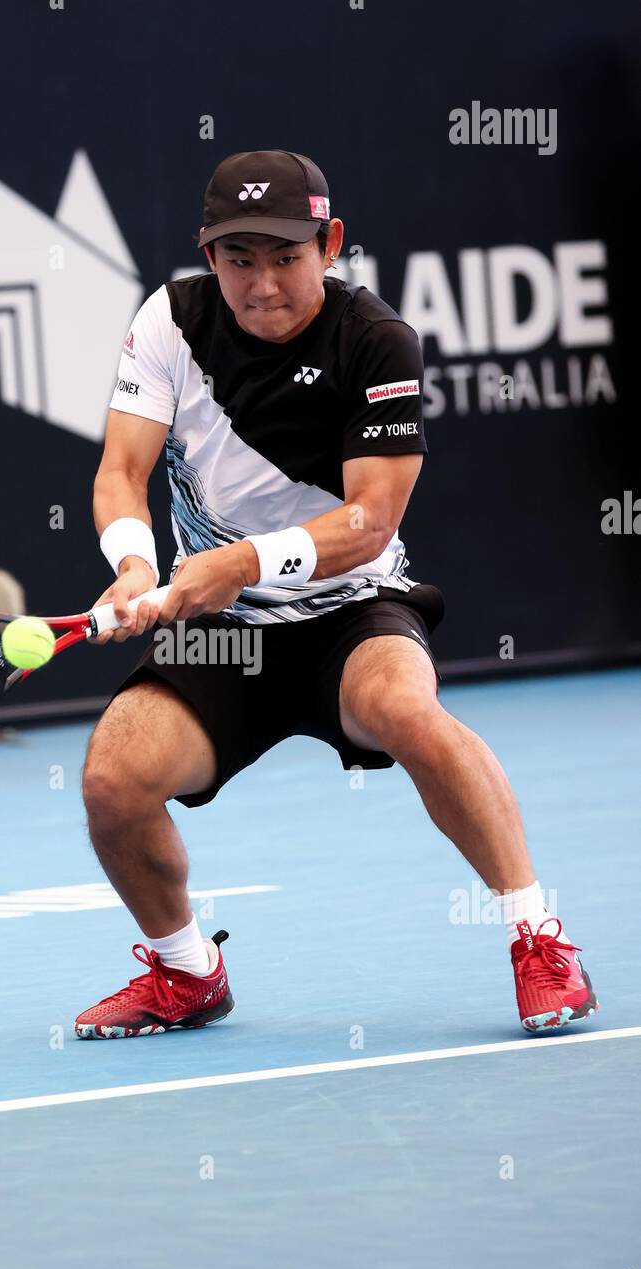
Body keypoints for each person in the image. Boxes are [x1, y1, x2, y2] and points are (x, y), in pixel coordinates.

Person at [75, 149, 598, 1039]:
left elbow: (369, 521)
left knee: (407, 711)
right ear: (209, 255)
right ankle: (187, 972)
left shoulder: (376, 340)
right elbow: (121, 471)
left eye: (286, 257)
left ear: (330, 245)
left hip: (353, 610)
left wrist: (240, 562)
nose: (262, 284)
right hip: (226, 631)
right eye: (239, 259)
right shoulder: (170, 322)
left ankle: (537, 938)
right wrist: (133, 564)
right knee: (112, 781)